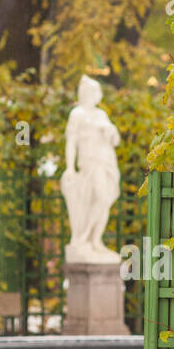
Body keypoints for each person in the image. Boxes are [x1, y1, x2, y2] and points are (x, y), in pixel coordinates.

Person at [61, 75, 122, 264]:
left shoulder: (101, 115)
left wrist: (110, 131)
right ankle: (84, 237)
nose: (97, 95)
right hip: (90, 162)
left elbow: (116, 140)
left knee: (105, 199)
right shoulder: (77, 114)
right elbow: (71, 142)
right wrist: (70, 167)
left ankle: (95, 240)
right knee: (100, 198)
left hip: (107, 162)